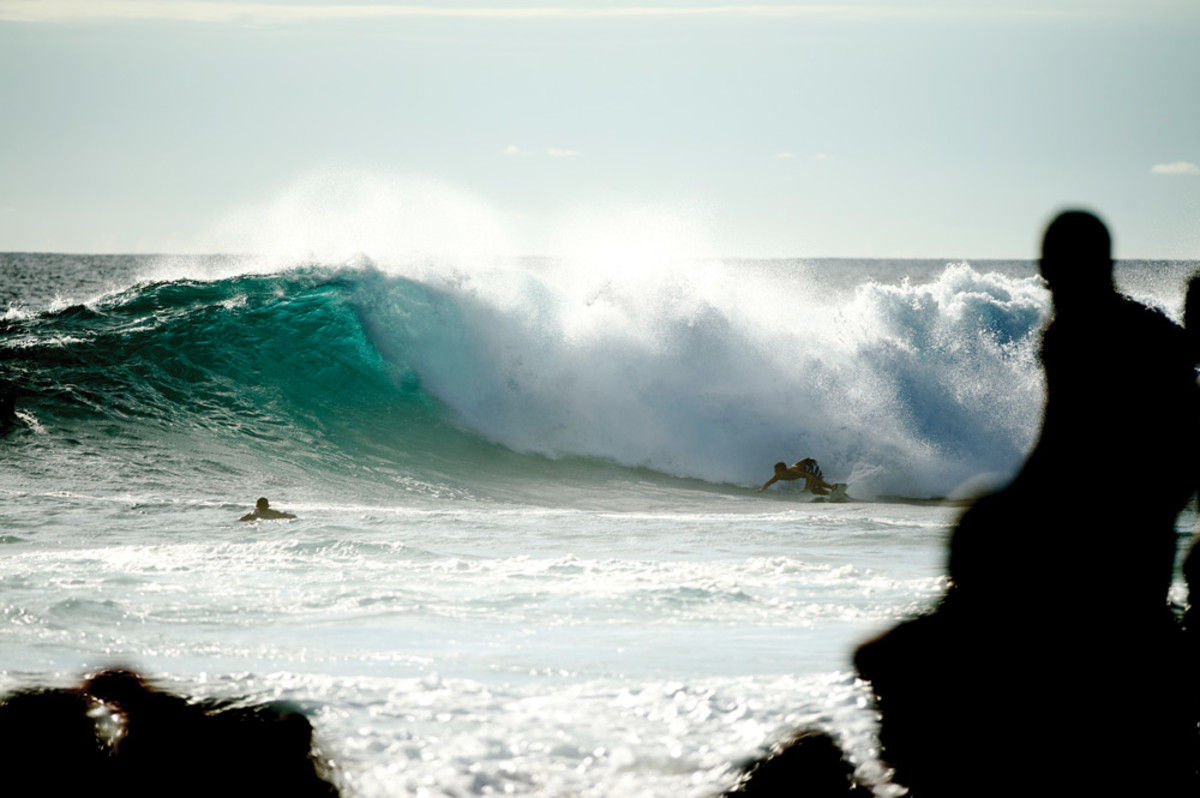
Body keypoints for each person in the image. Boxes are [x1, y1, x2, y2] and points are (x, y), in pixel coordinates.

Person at [756, 458, 837, 494]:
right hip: (806, 468)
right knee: (814, 490)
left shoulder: (793, 472)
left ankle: (833, 487)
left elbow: (809, 477)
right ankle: (829, 494)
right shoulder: (779, 476)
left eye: (776, 471)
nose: (775, 473)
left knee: (815, 481)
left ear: (783, 470)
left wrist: (806, 488)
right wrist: (761, 489)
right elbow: (769, 482)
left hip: (810, 465)